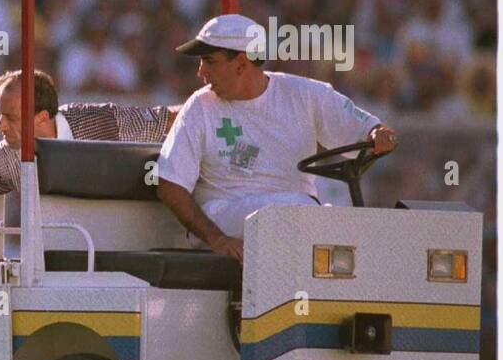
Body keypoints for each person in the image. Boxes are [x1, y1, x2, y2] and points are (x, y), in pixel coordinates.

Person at [156, 14, 398, 262]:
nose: (201, 72)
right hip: (223, 213)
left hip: (292, 216)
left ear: (241, 63)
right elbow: (170, 185)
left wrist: (376, 133)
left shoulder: (304, 94)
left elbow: (366, 127)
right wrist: (217, 239)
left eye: (209, 61)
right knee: (299, 212)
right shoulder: (200, 106)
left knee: (346, 226)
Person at [0, 68, 177, 227]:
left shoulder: (100, 121)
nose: (0, 127)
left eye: (10, 117)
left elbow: (173, 119)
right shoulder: (1, 159)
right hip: (52, 267)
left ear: (42, 117)